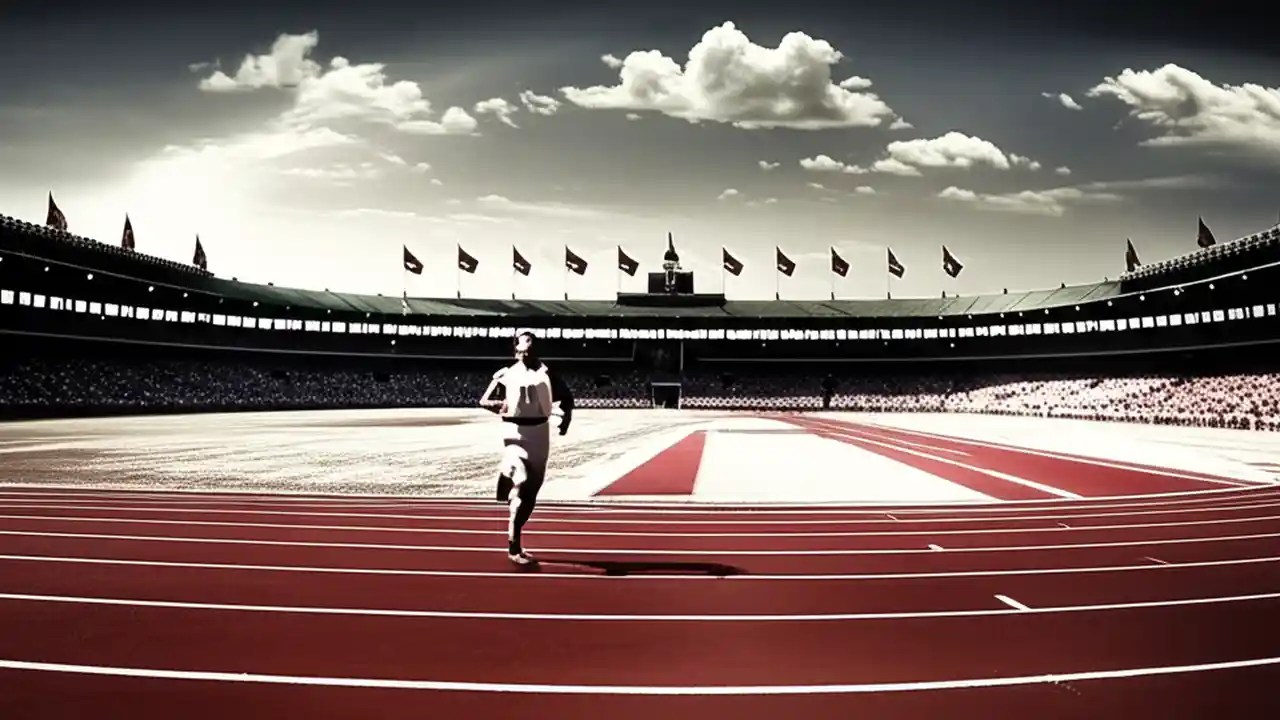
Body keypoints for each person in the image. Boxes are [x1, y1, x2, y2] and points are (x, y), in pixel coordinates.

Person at [478, 330, 574, 565]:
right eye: (521, 350)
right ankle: (508, 474)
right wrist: (501, 405)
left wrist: (566, 420)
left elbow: (567, 398)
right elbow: (484, 400)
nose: (525, 354)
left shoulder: (547, 373)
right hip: (514, 432)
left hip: (539, 434)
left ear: (536, 349)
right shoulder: (505, 374)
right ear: (516, 350)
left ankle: (516, 541)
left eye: (529, 350)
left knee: (530, 493)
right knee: (521, 478)